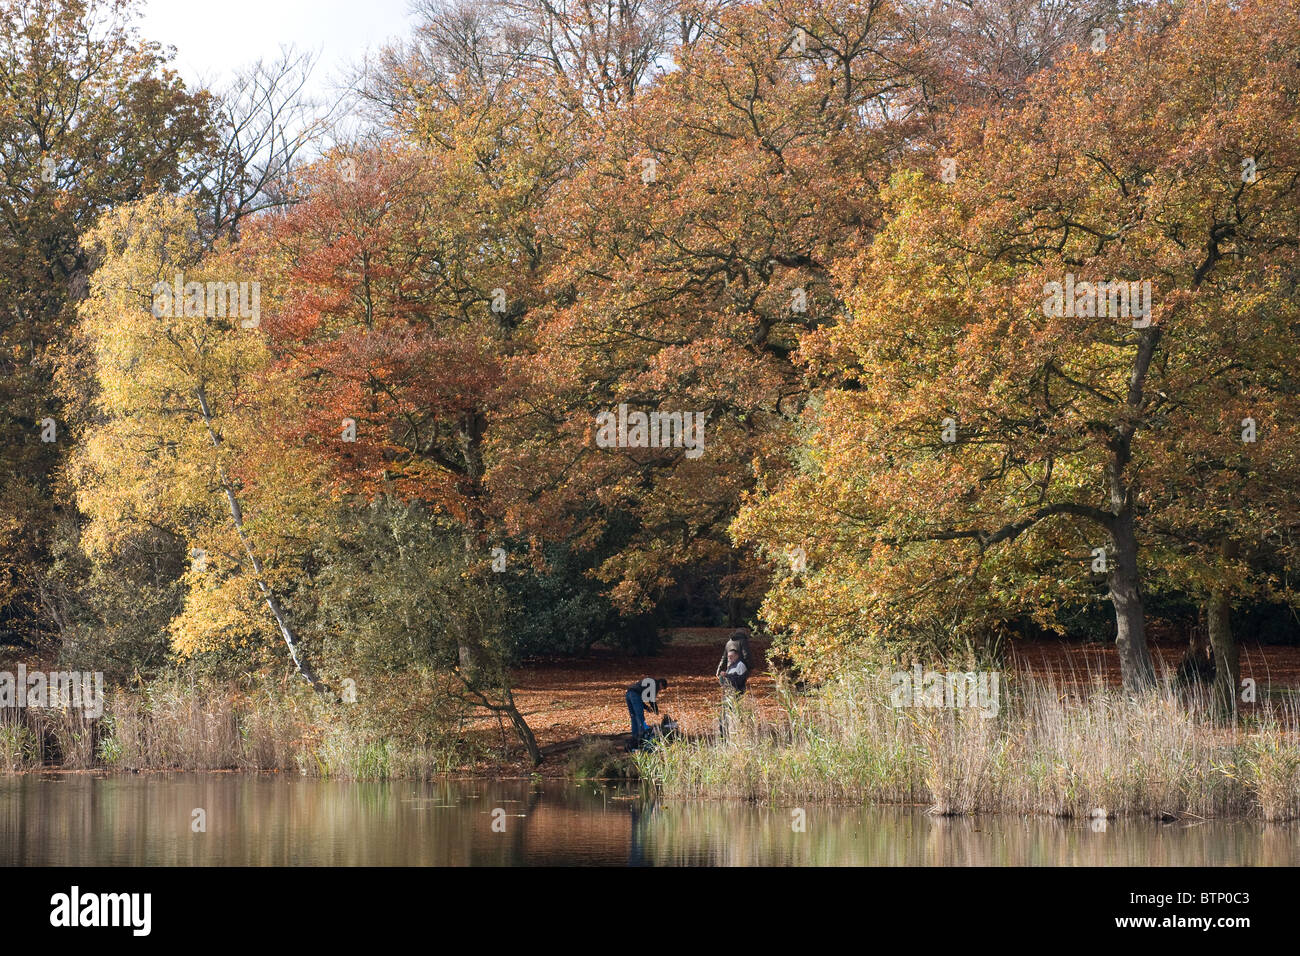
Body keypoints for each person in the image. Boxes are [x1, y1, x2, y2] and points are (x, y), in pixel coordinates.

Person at [626, 677, 668, 747]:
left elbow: (640, 697)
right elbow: (651, 700)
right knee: (640, 717)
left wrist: (647, 707)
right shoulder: (655, 685)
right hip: (635, 695)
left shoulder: (650, 682)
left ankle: (635, 736)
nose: (660, 690)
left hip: (628, 693)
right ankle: (642, 737)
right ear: (661, 684)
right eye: (661, 688)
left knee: (634, 717)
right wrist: (656, 711)